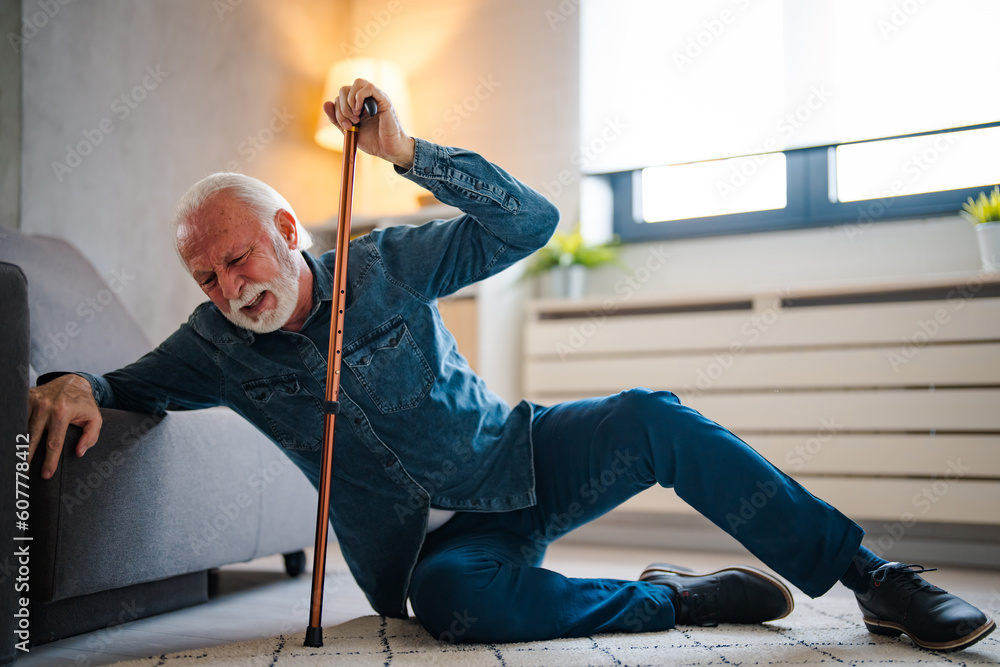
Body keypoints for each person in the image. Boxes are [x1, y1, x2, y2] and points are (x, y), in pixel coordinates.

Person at [28, 79, 994, 653]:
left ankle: (874, 578)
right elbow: (125, 384)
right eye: (204, 275)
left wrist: (406, 150)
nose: (227, 285)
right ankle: (676, 597)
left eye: (237, 258)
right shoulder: (214, 346)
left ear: (288, 231)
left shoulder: (386, 263)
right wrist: (78, 381)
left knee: (654, 415)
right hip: (431, 553)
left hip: (519, 461)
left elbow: (530, 222)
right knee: (456, 607)